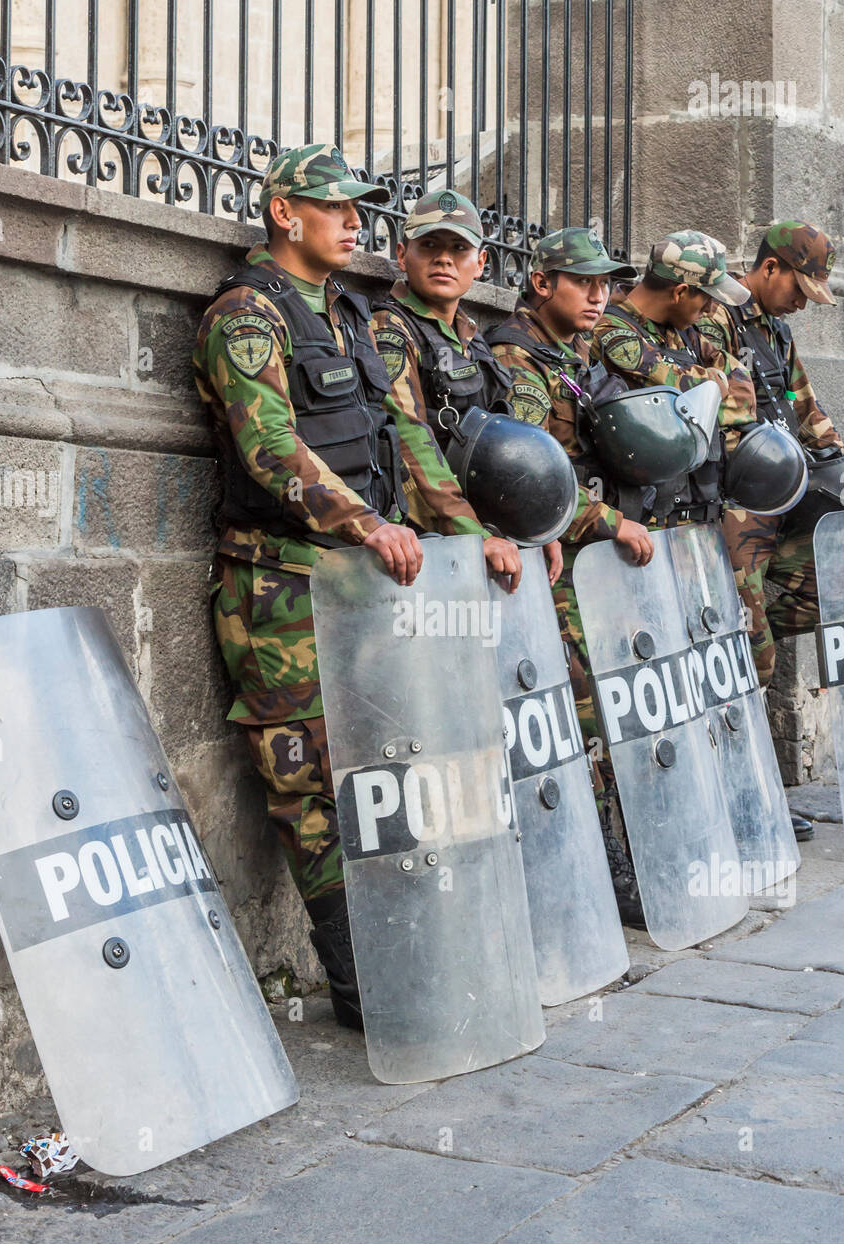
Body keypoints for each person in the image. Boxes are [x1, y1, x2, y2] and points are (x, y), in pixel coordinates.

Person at [192, 144, 521, 1030]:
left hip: (362, 587)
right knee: (307, 784)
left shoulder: (348, 313)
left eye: (357, 210)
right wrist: (366, 524)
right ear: (282, 214)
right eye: (332, 208)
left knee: (388, 767)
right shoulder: (247, 315)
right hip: (283, 590)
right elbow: (267, 450)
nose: (352, 223)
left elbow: (403, 440)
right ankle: (356, 982)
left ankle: (409, 947)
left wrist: (467, 530)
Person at [697, 219, 844, 843]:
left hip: (782, 501)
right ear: (771, 267)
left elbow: (808, 413)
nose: (801, 305)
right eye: (798, 289)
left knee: (828, 590)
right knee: (748, 650)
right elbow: (726, 422)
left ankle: (748, 782)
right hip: (736, 509)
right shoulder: (718, 319)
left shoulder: (774, 329)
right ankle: (741, 797)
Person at [485, 228, 653, 923]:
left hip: (577, 559)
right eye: (582, 282)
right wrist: (610, 523)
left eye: (605, 284)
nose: (598, 295)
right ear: (540, 282)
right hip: (541, 560)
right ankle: (587, 864)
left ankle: (614, 851)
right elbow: (526, 478)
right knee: (576, 709)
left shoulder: (571, 353)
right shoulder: (519, 361)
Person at [370, 189, 562, 581]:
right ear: (402, 255)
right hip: (429, 543)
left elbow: (506, 439)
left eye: (459, 248)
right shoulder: (390, 330)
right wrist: (473, 535)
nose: (444, 258)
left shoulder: (473, 338)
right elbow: (410, 439)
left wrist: (535, 519)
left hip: (479, 537)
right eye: (429, 245)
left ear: (480, 263)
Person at [588, 228, 759, 525]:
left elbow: (743, 388)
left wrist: (708, 390)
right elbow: (681, 405)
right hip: (646, 523)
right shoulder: (612, 333)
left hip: (694, 516)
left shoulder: (683, 332)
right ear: (679, 293)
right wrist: (714, 384)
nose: (709, 310)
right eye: (706, 299)